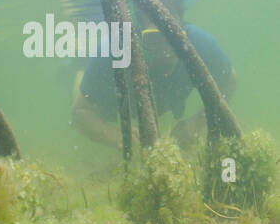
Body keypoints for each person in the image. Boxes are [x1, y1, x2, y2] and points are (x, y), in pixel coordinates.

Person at [70, 22, 235, 149]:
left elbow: (229, 82)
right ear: (141, 36)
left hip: (153, 100)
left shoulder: (200, 44)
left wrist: (197, 122)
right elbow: (80, 112)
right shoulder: (113, 48)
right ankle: (81, 63)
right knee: (84, 77)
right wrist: (118, 137)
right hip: (112, 101)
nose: (166, 50)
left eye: (173, 37)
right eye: (154, 39)